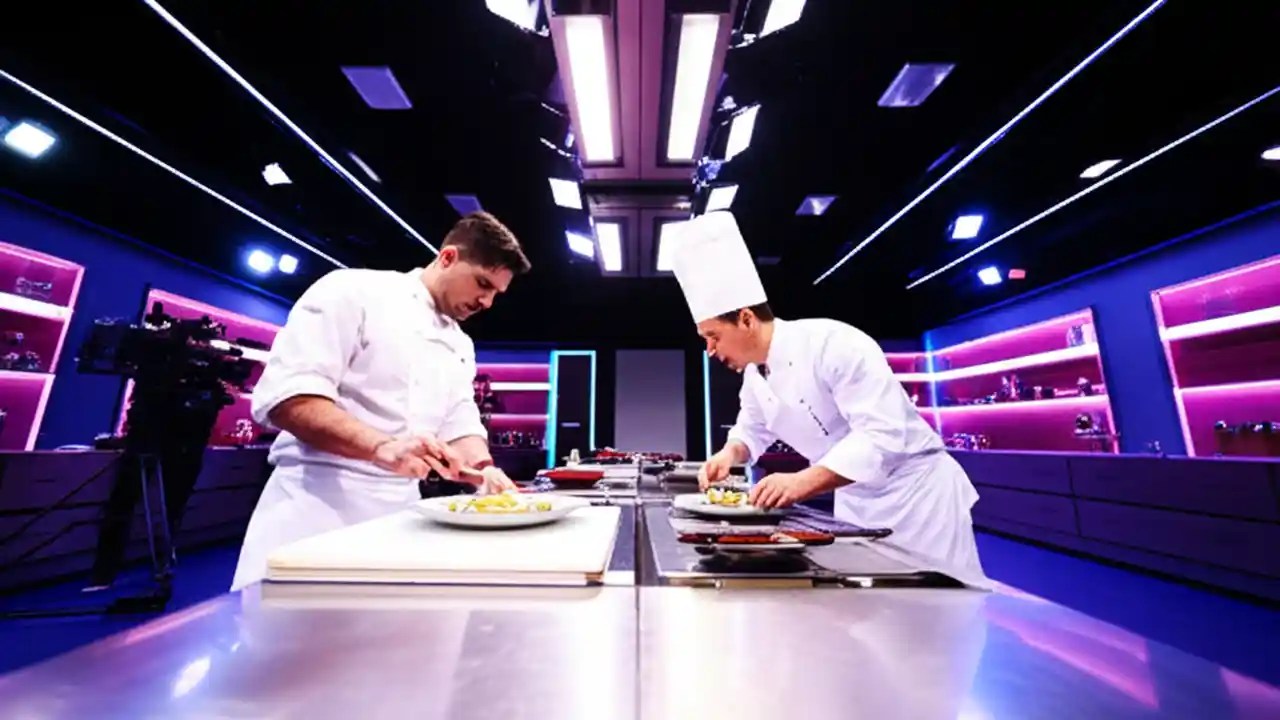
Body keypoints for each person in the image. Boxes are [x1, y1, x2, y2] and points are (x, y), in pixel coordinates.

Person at [671, 210, 987, 585]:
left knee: (938, 612)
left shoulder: (833, 344)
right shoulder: (756, 373)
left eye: (712, 336)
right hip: (855, 499)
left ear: (746, 319)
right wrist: (729, 454)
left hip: (917, 499)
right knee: (869, 617)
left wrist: (801, 481)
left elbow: (882, 435)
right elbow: (750, 429)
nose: (709, 350)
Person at [230, 212, 531, 590]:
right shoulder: (351, 291)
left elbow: (459, 417)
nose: (486, 302)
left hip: (401, 517)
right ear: (448, 257)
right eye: (482, 284)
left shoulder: (460, 343)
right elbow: (290, 398)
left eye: (495, 294)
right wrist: (383, 447)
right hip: (313, 509)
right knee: (285, 644)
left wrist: (484, 470)